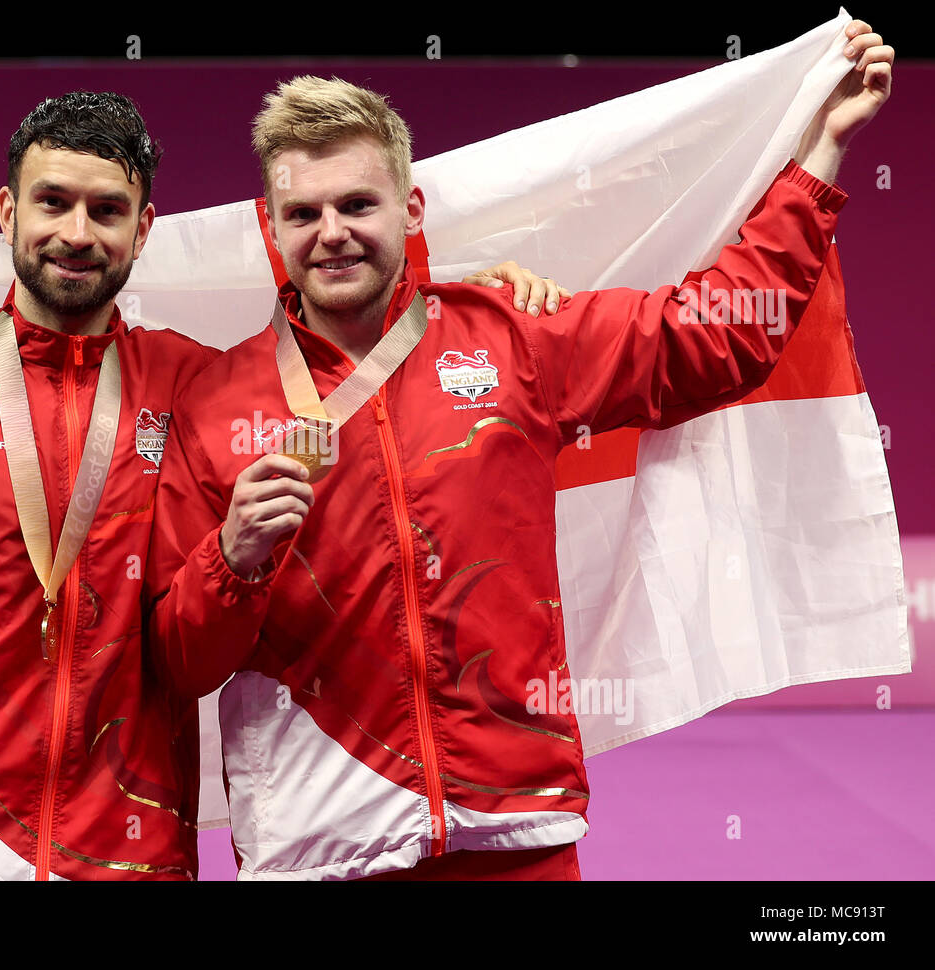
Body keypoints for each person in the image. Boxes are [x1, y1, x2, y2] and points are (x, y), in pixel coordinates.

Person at [0, 91, 562, 880]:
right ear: (6, 211)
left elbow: (347, 364)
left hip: (121, 848)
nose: (76, 235)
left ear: (144, 228)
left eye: (106, 210)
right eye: (53, 203)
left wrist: (447, 307)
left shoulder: (195, 387)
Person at [145, 21, 894, 880]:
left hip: (515, 832)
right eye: (303, 214)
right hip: (319, 848)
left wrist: (820, 154)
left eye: (358, 204)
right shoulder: (213, 405)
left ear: (411, 208)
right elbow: (177, 660)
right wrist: (234, 558)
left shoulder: (509, 336)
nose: (333, 233)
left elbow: (711, 338)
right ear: (270, 229)